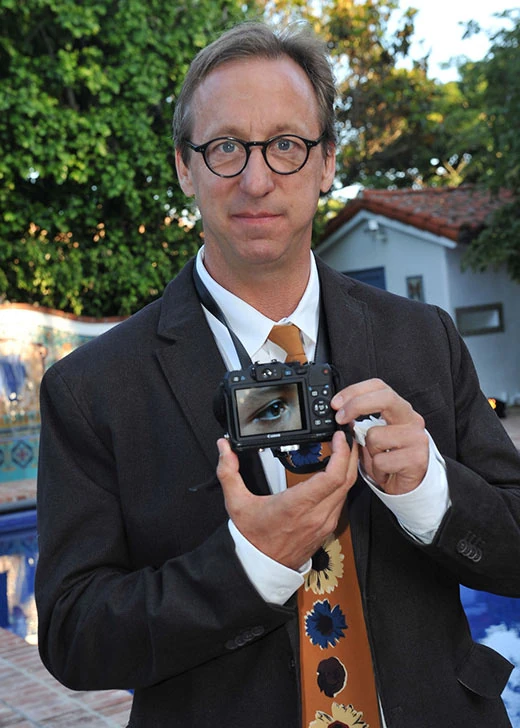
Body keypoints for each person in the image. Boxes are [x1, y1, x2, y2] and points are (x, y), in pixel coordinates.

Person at [35, 20, 520, 728]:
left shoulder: (424, 339)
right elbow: (73, 637)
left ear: (326, 164)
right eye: (226, 147)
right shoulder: (93, 389)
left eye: (286, 145)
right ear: (185, 167)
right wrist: (250, 563)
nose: (257, 179)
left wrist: (431, 490)